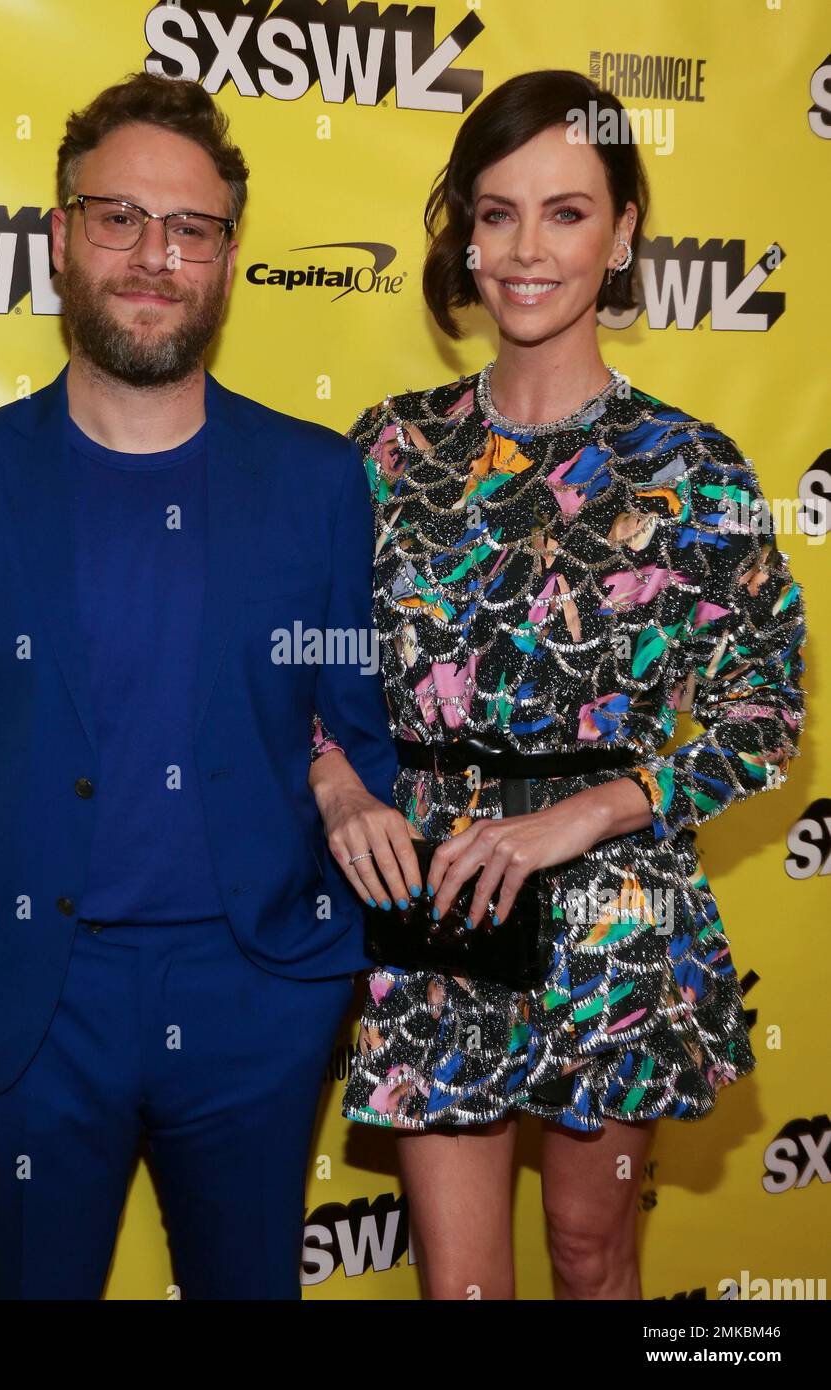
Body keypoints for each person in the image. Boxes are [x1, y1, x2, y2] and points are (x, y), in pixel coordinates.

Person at [0, 72, 402, 1300]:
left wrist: (338, 804)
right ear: (59, 236)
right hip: (31, 1010)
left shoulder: (318, 482)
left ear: (226, 259)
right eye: (118, 218)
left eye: (190, 230)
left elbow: (354, 731)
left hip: (256, 1000)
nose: (154, 256)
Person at [309, 69, 807, 1300]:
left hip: (614, 908)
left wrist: (582, 813)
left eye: (567, 212)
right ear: (463, 233)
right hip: (439, 899)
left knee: (594, 1258)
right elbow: (306, 670)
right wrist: (333, 786)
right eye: (496, 212)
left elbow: (766, 714)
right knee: (460, 1286)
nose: (527, 250)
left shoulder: (691, 467)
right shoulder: (386, 447)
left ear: (625, 228)